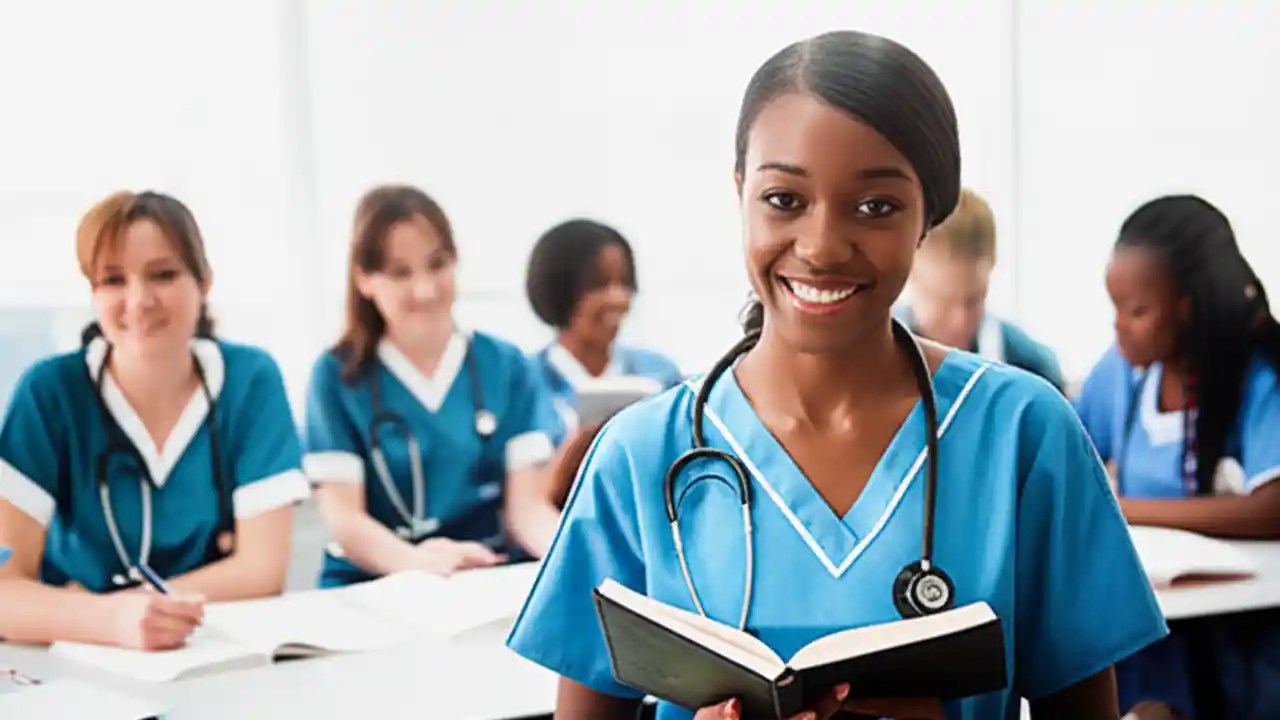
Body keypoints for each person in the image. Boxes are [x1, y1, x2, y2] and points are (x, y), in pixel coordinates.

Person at [507, 30, 1167, 720]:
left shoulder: (1023, 434)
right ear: (740, 193)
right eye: (784, 200)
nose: (821, 247)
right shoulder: (639, 456)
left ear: (928, 216)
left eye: (876, 206)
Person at [0, 191, 308, 650]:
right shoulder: (50, 394)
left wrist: (119, 606)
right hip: (82, 658)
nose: (139, 300)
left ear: (204, 282)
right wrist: (110, 620)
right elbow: (6, 591)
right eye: (113, 280)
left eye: (163, 274)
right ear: (93, 292)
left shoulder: (249, 381)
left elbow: (263, 571)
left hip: (210, 651)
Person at [1074, 194, 1280, 719]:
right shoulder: (1120, 374)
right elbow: (1064, 453)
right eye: (1114, 308)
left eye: (1138, 310)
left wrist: (1126, 509)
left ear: (1191, 304)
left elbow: (1271, 509)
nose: (1120, 326)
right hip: (1154, 628)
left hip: (1245, 638)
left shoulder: (1255, 376)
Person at [303, 185, 563, 587]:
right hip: (376, 583)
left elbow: (526, 511)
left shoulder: (506, 366)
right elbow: (345, 518)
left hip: (483, 576)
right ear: (364, 280)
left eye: (437, 265)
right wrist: (415, 562)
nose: (425, 289)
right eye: (400, 273)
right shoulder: (338, 377)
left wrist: (572, 554)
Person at [525, 219, 685, 507]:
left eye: (625, 283)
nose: (618, 298)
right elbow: (527, 505)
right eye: (599, 285)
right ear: (559, 289)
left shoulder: (659, 375)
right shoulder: (526, 383)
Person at [899, 187, 1065, 391]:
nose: (961, 321)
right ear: (907, 275)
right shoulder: (864, 360)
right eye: (944, 301)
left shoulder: (1034, 370)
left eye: (974, 299)